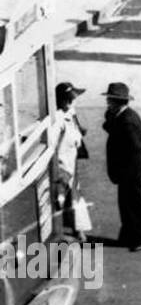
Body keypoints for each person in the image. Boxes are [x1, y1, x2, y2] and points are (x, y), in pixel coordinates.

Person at [103, 82, 141, 252]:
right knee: (127, 205)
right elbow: (110, 128)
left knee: (134, 205)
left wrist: (127, 172)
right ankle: (130, 235)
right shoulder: (122, 116)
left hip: (131, 172)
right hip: (129, 171)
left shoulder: (127, 121)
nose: (107, 103)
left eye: (109, 100)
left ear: (117, 102)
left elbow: (134, 149)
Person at [53, 82, 89, 240]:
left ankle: (78, 229)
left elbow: (75, 131)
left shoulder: (71, 112)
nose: (74, 102)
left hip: (71, 161)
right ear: (64, 101)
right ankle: (60, 233)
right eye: (72, 99)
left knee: (75, 195)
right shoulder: (58, 119)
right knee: (60, 198)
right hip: (62, 164)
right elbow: (53, 144)